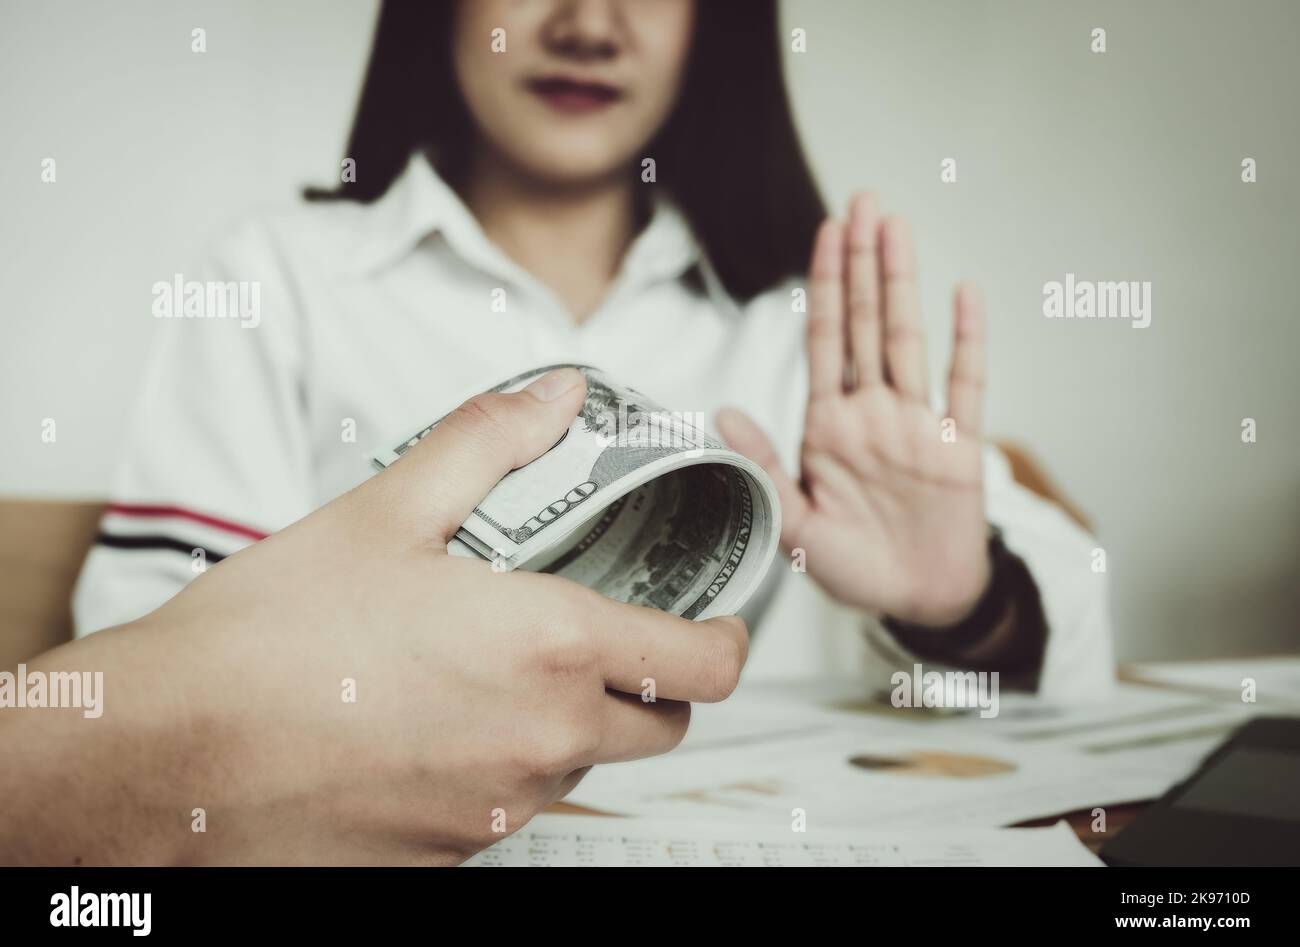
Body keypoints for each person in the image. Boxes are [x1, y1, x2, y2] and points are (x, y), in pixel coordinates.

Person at [74, 1, 1110, 706]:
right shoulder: (277, 276)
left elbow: (1074, 663)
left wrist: (964, 610)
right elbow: (139, 673)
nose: (587, 24)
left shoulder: (796, 326)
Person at [1, 370, 750, 864]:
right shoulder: (277, 270)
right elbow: (155, 635)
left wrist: (873, 597)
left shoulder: (788, 308)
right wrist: (210, 742)